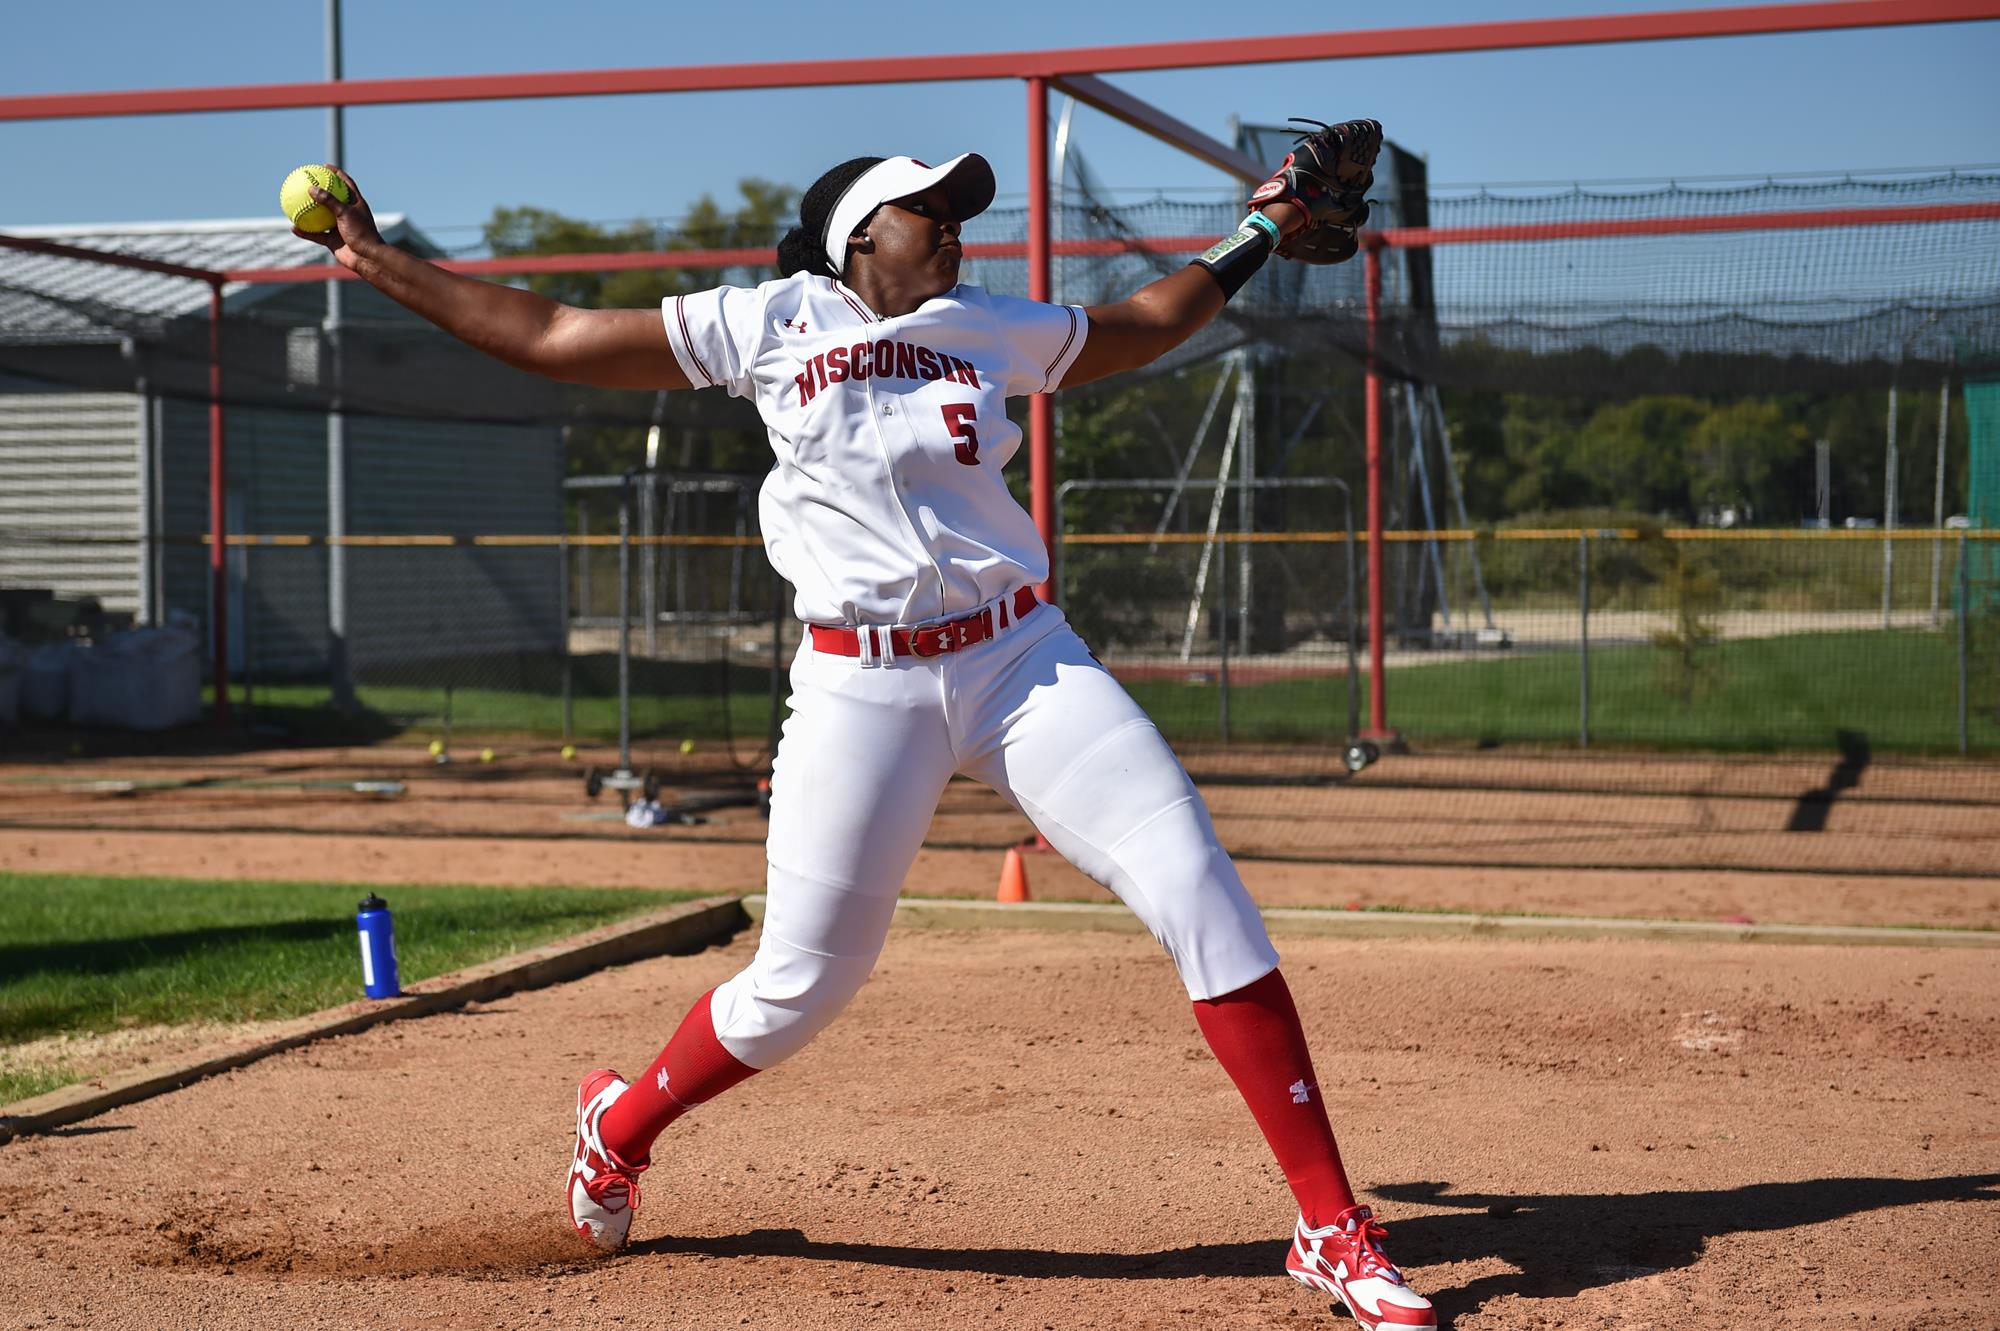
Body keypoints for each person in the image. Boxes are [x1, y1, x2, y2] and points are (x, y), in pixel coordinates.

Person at [297, 124, 1434, 1330]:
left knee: (1197, 883)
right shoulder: (772, 321)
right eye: (924, 210)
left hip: (1017, 657)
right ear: (856, 239)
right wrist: (378, 262)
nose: (950, 224)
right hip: (860, 688)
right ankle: (617, 1126)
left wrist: (1257, 232)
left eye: (955, 208)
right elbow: (554, 338)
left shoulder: (984, 321)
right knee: (795, 991)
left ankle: (1328, 1226)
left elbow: (1147, 323)